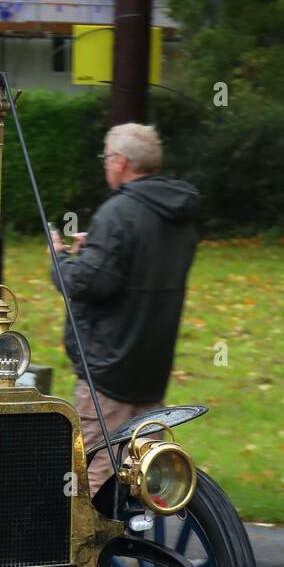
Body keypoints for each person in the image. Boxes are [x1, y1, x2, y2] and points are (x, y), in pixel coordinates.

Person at [50, 123, 198, 495]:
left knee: (94, 471)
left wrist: (60, 258)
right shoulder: (178, 215)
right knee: (143, 470)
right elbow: (129, 271)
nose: (105, 164)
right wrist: (95, 249)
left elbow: (86, 284)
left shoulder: (118, 213)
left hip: (108, 370)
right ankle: (142, 539)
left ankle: (89, 551)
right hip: (151, 367)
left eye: (106, 156)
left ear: (120, 161)